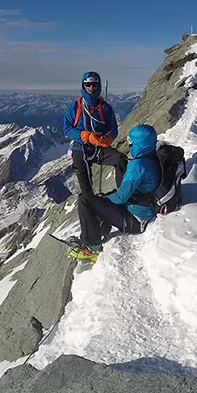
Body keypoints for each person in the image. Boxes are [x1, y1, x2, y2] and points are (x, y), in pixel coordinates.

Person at [69, 123, 161, 262]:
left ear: (138, 144)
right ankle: (100, 231)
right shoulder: (152, 157)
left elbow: (120, 198)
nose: (130, 146)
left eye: (131, 143)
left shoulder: (138, 165)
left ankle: (91, 249)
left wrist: (102, 198)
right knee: (103, 199)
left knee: (85, 199)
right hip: (144, 210)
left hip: (135, 220)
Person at [62, 71, 126, 196]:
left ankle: (123, 195)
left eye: (94, 85)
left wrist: (108, 138)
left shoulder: (105, 108)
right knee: (85, 185)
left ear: (99, 86)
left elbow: (113, 128)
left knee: (120, 160)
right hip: (80, 147)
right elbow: (67, 128)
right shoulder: (75, 107)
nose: (91, 88)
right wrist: (86, 136)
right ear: (83, 86)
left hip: (100, 147)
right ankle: (90, 203)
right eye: (88, 85)